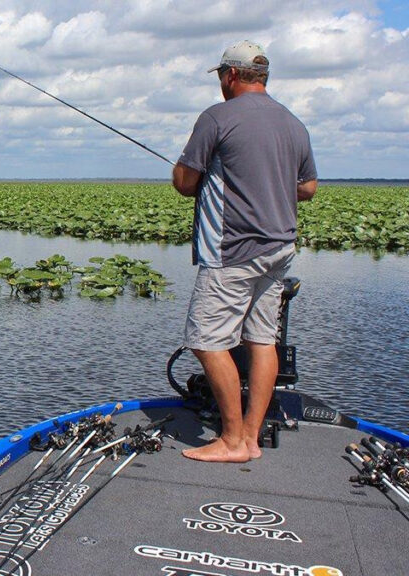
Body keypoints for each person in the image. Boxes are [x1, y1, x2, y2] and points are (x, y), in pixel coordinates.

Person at [172, 40, 318, 463]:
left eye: (221, 75)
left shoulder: (217, 117)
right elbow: (308, 188)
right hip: (279, 249)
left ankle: (233, 439)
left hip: (232, 249)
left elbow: (184, 183)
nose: (221, 82)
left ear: (231, 75)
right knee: (261, 340)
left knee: (205, 340)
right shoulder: (293, 123)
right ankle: (251, 438)